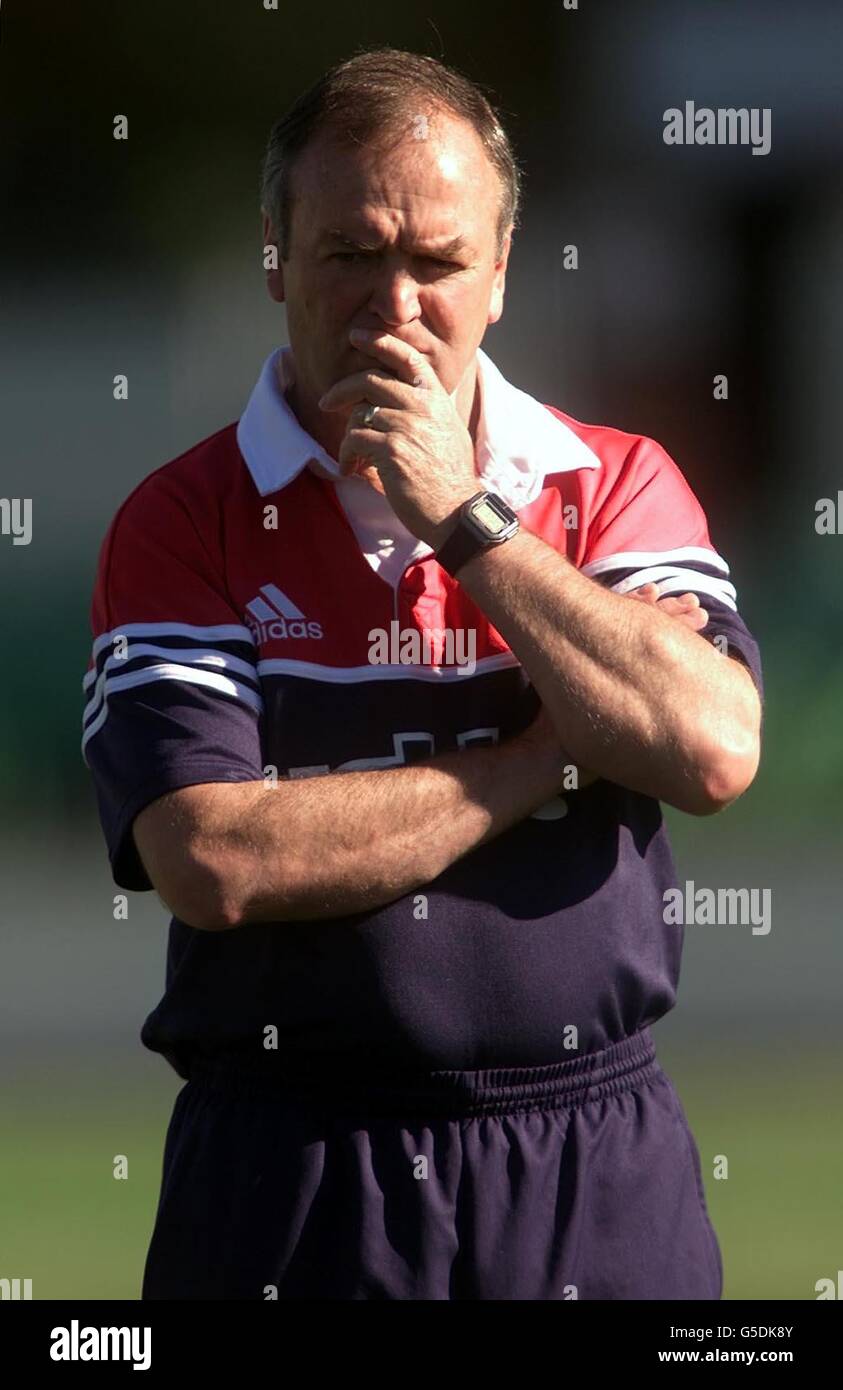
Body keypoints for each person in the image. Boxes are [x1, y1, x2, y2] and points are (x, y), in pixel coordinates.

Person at [82, 47, 763, 1300]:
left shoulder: (610, 482)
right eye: (349, 253)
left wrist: (463, 515)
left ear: (500, 273)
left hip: (593, 1162)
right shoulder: (183, 520)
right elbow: (216, 860)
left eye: (438, 262)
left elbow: (710, 747)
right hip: (291, 1168)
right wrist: (531, 759)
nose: (394, 305)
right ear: (276, 257)